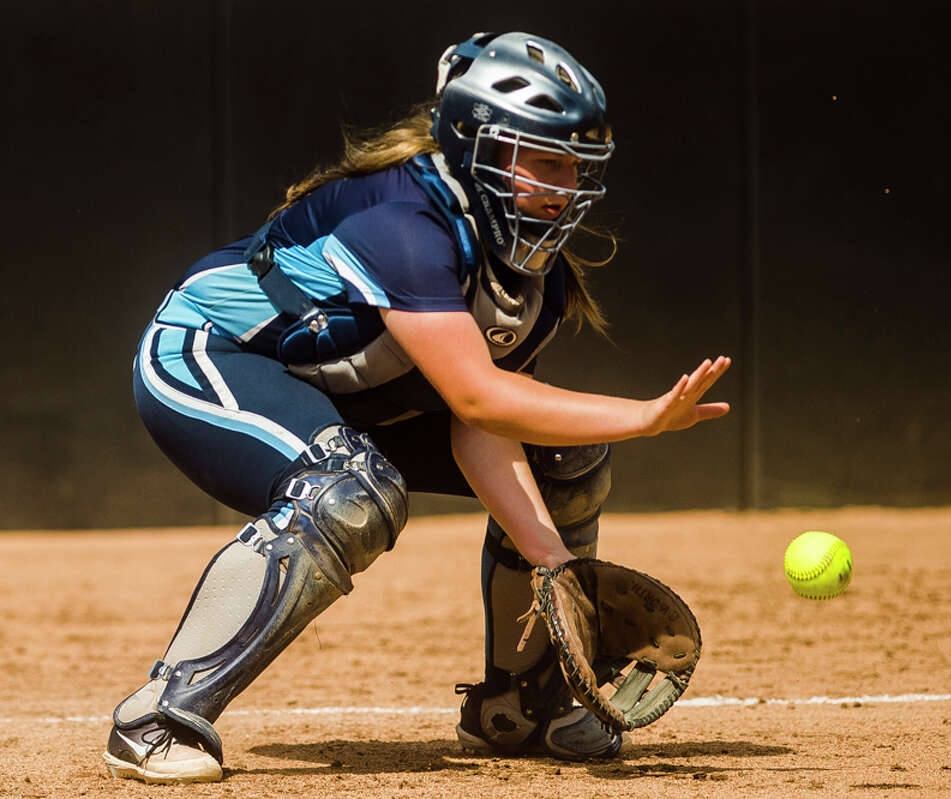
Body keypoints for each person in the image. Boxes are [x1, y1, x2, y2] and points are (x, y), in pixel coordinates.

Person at [102, 31, 731, 785]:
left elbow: (485, 427)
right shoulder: (401, 219)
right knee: (348, 492)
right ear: (476, 146)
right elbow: (474, 392)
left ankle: (518, 705)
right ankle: (156, 715)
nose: (565, 186)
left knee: (566, 458)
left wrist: (555, 562)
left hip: (343, 394)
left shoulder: (532, 279)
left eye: (577, 168)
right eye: (545, 161)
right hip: (208, 357)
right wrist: (644, 416)